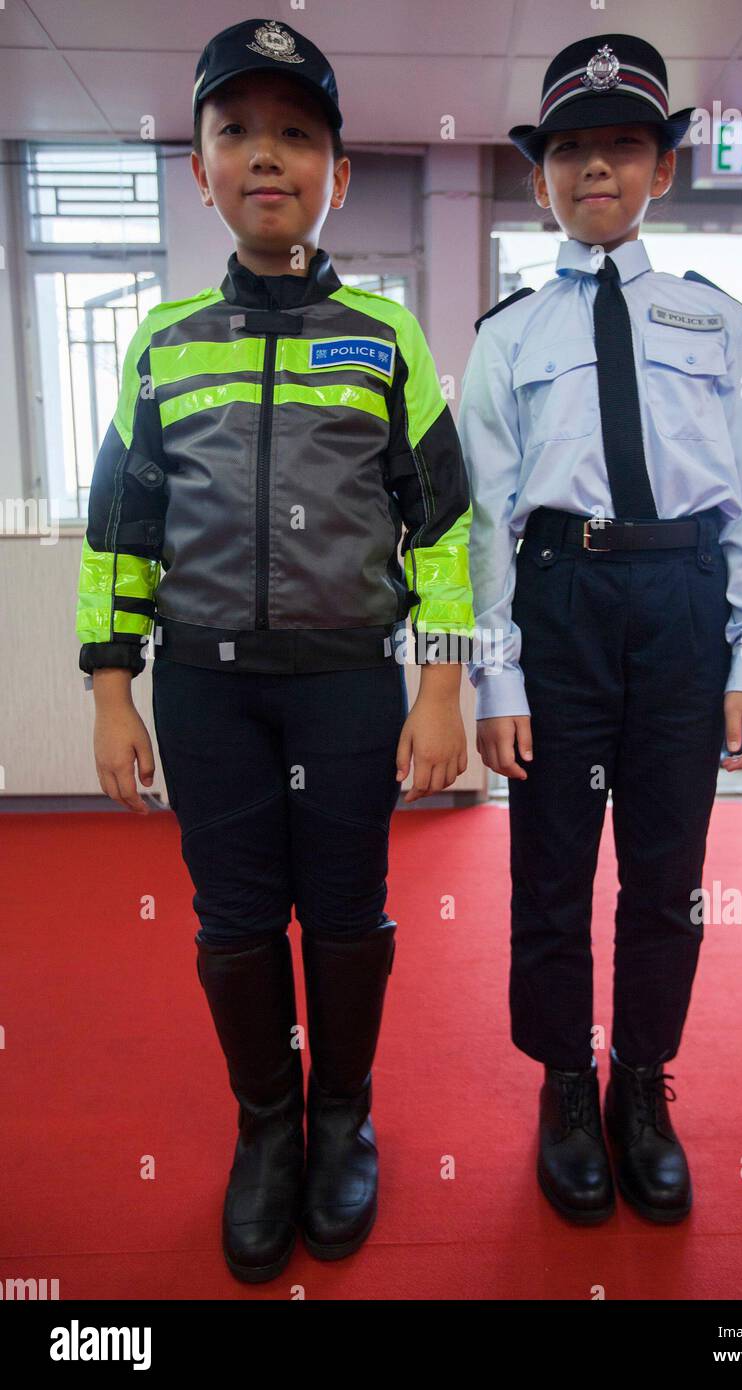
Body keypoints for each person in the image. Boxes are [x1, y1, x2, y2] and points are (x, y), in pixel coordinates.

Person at [74, 18, 475, 1282]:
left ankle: (342, 1118)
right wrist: (110, 693)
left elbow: (444, 528)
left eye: (296, 134)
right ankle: (265, 1129)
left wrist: (442, 684)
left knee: (348, 916)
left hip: (351, 691)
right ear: (197, 168)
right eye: (237, 131)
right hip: (206, 696)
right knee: (236, 921)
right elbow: (119, 531)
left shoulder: (388, 339)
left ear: (336, 174)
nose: (266, 156)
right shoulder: (162, 344)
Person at [458, 33, 742, 1225]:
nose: (595, 166)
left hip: (684, 607)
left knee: (667, 873)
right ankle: (562, 1081)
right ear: (540, 172)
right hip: (558, 605)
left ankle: (641, 1084)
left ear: (662, 169)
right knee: (549, 868)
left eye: (623, 145)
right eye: (571, 149)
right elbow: (485, 522)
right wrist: (491, 676)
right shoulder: (506, 336)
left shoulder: (718, 322)